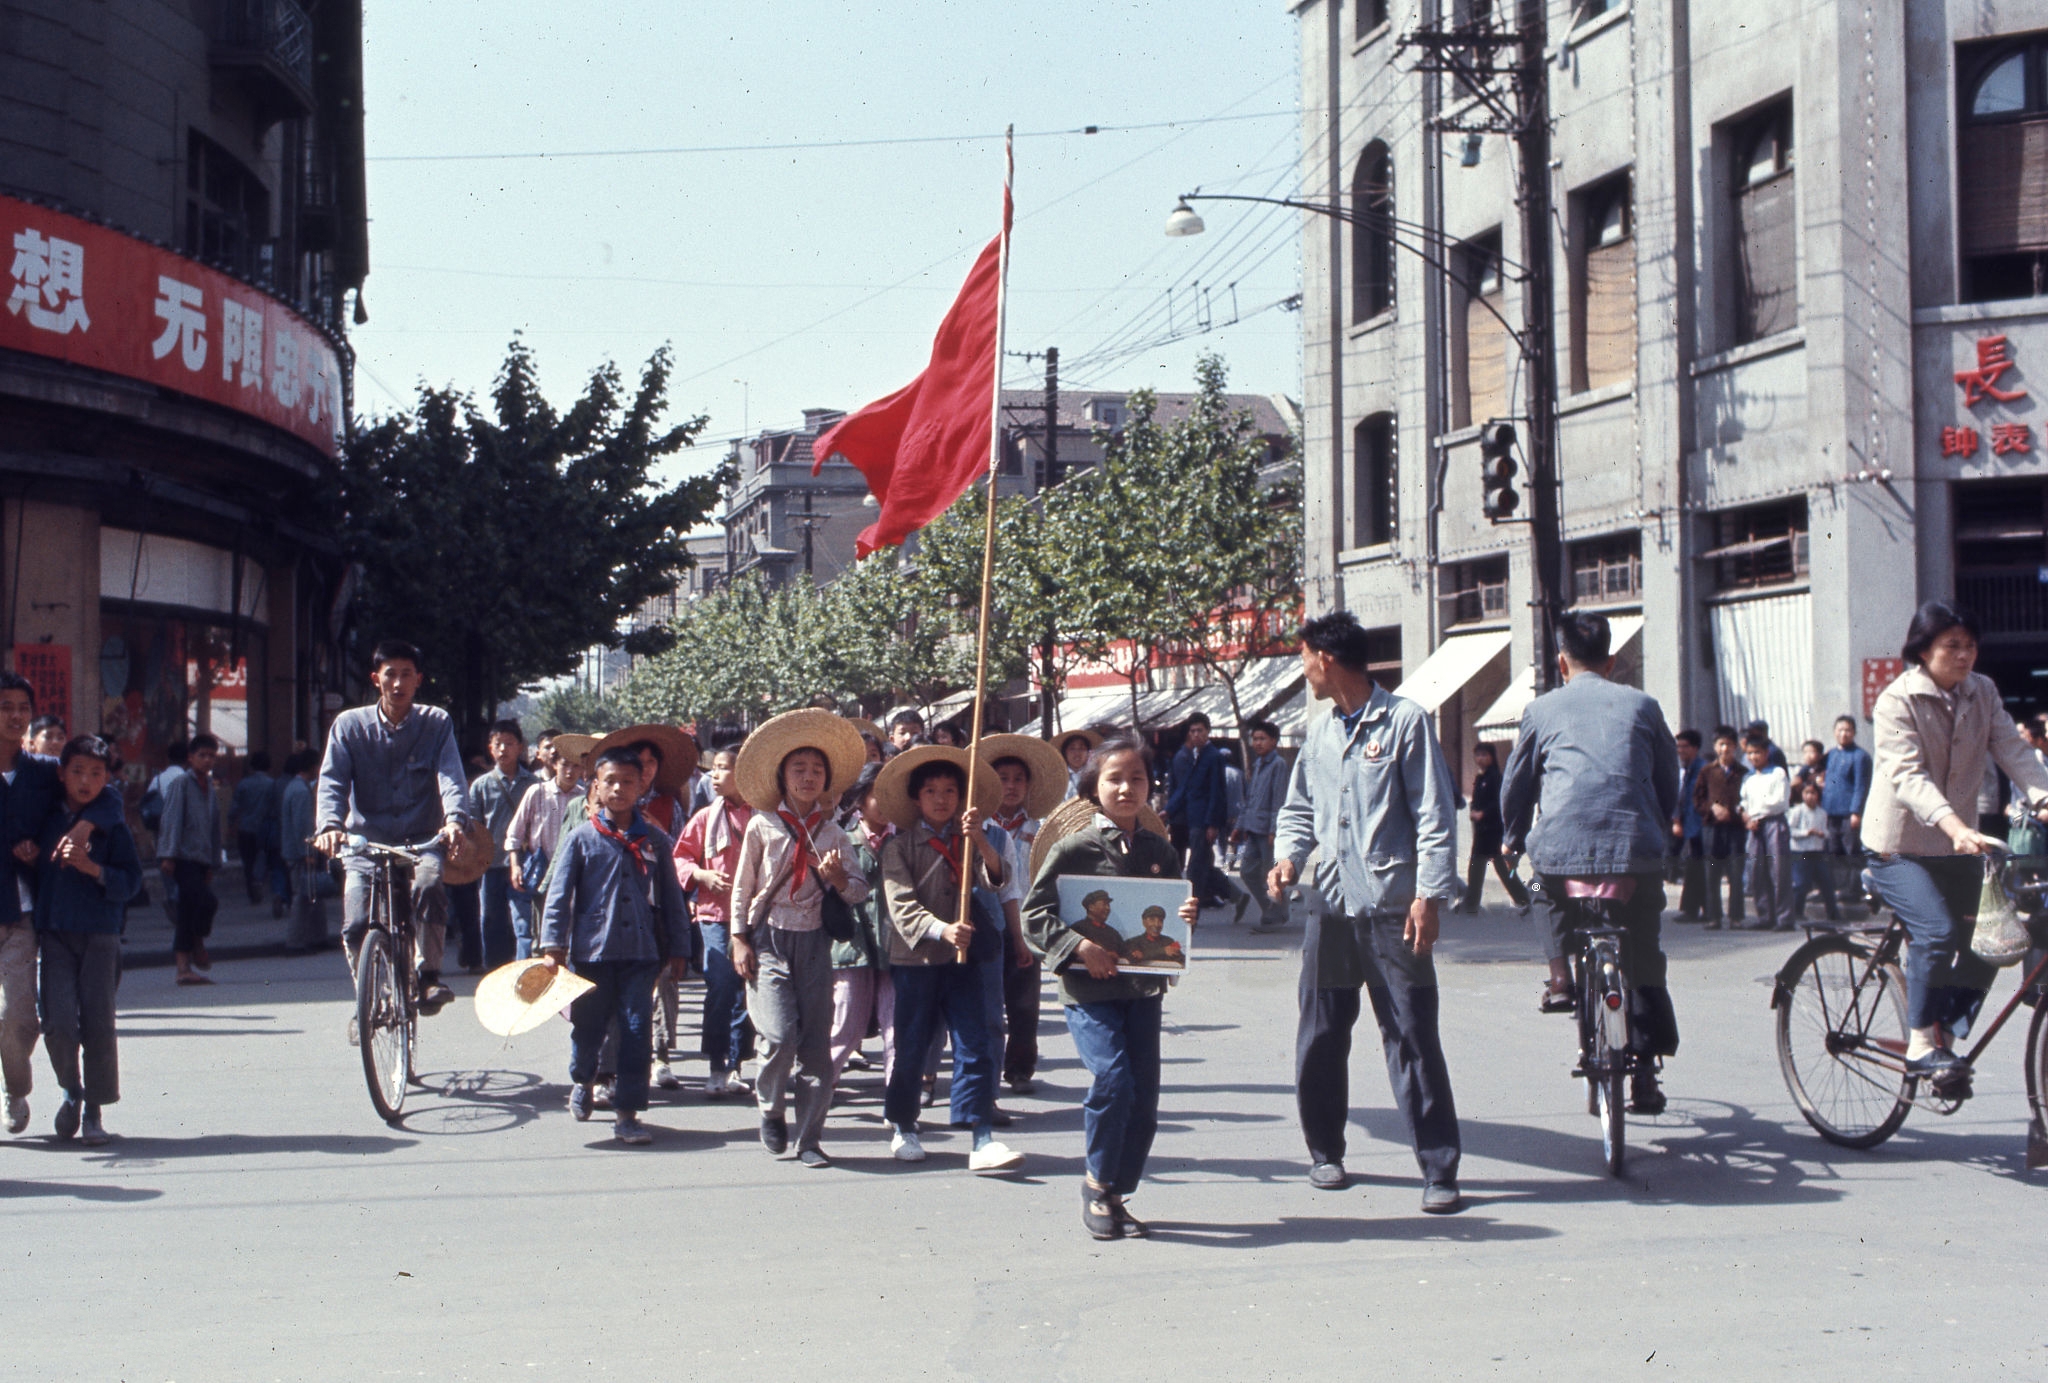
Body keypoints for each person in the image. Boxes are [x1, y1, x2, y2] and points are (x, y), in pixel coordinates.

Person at [1269, 612, 1465, 1213]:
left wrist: (1429, 897)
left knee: (1410, 1035)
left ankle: (1438, 1169)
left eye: (1303, 658)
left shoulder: (1404, 722)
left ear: (1324, 658)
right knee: (1322, 1036)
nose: (1303, 670)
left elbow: (1435, 816)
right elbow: (1299, 808)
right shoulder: (1319, 732)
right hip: (1329, 908)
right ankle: (1325, 1152)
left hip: (1392, 909)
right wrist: (1287, 858)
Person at [1499, 611, 1683, 1113]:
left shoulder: (1541, 710)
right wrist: (1658, 825)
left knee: (1539, 890)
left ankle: (1559, 977)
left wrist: (1512, 837)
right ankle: (1645, 1071)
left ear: (1561, 662)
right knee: (1644, 949)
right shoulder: (1644, 706)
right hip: (1635, 853)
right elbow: (1669, 777)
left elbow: (1517, 785)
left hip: (1559, 854)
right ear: (1612, 661)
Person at [1861, 601, 2048, 1079]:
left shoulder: (1982, 691)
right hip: (1898, 847)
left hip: (1955, 844)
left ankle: (1943, 1029)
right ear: (1923, 651)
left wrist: (2043, 799)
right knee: (1938, 934)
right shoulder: (1896, 700)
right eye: (1952, 646)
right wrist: (1953, 824)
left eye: (1970, 646)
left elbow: (2012, 748)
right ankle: (1921, 1045)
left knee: (1997, 940)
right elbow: (1906, 774)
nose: (1965, 655)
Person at [1026, 735, 1202, 1239]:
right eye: (1114, 779)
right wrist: (1080, 948)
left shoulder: (1158, 849)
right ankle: (1096, 1181)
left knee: (1144, 1096)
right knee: (1113, 1079)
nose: (1127, 788)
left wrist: (1187, 915)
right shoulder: (1075, 847)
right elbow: (1034, 915)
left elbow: (1173, 912)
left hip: (1142, 991)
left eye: (1137, 778)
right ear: (1093, 787)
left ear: (1150, 785)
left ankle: (1117, 1192)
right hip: (1090, 993)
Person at [728, 709, 870, 1168]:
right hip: (769, 937)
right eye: (799, 769)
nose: (808, 777)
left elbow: (858, 892)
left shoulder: (834, 833)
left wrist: (835, 879)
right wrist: (738, 938)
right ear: (782, 776)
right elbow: (742, 886)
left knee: (815, 1047)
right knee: (779, 1033)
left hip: (815, 944)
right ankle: (770, 1106)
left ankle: (810, 1138)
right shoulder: (761, 825)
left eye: (816, 770)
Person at [875, 744, 1022, 1173]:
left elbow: (995, 881)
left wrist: (980, 840)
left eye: (950, 791)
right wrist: (942, 930)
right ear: (917, 799)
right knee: (913, 1046)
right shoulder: (898, 847)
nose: (942, 799)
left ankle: (981, 1135)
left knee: (975, 1042)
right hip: (917, 959)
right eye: (932, 791)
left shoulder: (971, 838)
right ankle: (904, 1124)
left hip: (967, 959)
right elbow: (901, 907)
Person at [312, 641, 472, 1029]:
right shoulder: (349, 726)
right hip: (365, 843)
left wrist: (454, 820)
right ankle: (368, 993)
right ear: (376, 679)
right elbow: (332, 780)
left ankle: (429, 975)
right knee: (354, 923)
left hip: (422, 839)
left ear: (418, 680)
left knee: (431, 885)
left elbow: (450, 776)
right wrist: (330, 826)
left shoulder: (436, 723)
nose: (398, 683)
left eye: (406, 674)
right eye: (390, 674)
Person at [538, 746, 692, 1146]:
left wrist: (678, 948)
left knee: (636, 1030)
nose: (619, 788)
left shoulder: (655, 839)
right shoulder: (580, 839)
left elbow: (673, 898)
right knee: (588, 1030)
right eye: (611, 781)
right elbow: (558, 896)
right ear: (596, 786)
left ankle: (628, 1112)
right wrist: (552, 945)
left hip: (642, 954)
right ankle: (583, 1079)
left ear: (641, 786)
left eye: (628, 781)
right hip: (592, 954)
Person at [0, 672, 119, 1135]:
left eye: (22, 708)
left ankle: (15, 1089)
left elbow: (102, 793)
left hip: (21, 912)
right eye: (5, 706)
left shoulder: (40, 772)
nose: (14, 715)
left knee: (22, 1017)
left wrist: (86, 829)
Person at [32, 735, 142, 1147]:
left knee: (98, 1023)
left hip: (100, 935)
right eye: (77, 771)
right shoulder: (47, 817)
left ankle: (94, 1110)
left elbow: (131, 882)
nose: (85, 781)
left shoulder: (111, 826)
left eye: (96, 773)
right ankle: (70, 1090)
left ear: (107, 779)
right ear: (61, 774)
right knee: (57, 1022)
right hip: (55, 933)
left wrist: (92, 869)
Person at [979, 732, 1063, 1095]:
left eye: (1018, 779)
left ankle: (1020, 1066)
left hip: (1027, 921)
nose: (1010, 786)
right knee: (985, 1000)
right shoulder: (981, 826)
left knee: (1025, 1002)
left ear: (1028, 786)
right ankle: (985, 1066)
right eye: (1002, 779)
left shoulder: (1042, 830)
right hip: (984, 919)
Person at [672, 742, 757, 1098]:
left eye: (724, 768)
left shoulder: (761, 814)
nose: (715, 775)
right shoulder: (706, 817)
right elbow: (680, 858)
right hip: (715, 915)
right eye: (715, 767)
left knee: (749, 991)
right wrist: (702, 877)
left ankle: (738, 1062)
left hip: (753, 916)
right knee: (721, 986)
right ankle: (717, 1064)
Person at [829, 764, 895, 1085]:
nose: (883, 803)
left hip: (895, 947)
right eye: (876, 796)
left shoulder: (904, 842)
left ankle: (898, 1103)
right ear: (860, 800)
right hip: (852, 945)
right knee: (846, 1023)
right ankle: (819, 1087)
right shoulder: (843, 839)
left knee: (895, 1026)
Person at [469, 720, 539, 971]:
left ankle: (524, 971)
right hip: (490, 864)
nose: (504, 749)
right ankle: (495, 970)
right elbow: (473, 826)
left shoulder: (533, 784)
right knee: (491, 919)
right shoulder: (481, 786)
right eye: (498, 744)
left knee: (524, 922)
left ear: (520, 747)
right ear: (490, 748)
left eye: (509, 744)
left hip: (524, 864)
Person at [1166, 713, 1248, 918]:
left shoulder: (1213, 756)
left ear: (1207, 731)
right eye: (1192, 731)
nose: (1196, 735)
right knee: (1202, 864)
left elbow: (1217, 792)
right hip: (1192, 819)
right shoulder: (1198, 755)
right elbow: (1185, 788)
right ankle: (1237, 895)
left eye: (1199, 731)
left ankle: (1193, 914)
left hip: (1203, 821)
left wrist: (1213, 823)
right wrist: (1169, 810)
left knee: (1195, 869)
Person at [506, 738, 581, 962]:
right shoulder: (536, 793)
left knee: (572, 937)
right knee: (543, 938)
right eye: (565, 765)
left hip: (576, 875)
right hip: (544, 873)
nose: (569, 771)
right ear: (555, 764)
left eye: (575, 765)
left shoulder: (584, 797)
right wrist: (515, 865)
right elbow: (514, 834)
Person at [157, 732, 223, 986]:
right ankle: (185, 963)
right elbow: (171, 819)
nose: (207, 760)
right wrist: (168, 855)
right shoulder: (181, 784)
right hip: (182, 856)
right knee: (197, 903)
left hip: (200, 858)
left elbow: (214, 828)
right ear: (191, 757)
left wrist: (213, 862)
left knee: (201, 905)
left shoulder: (209, 788)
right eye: (202, 755)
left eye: (211, 756)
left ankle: (194, 946)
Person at [1453, 743, 1529, 915]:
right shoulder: (1481, 778)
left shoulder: (1495, 777)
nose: (1480, 758)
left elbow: (1499, 803)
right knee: (1479, 867)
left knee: (1497, 867)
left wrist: (1483, 813)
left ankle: (1522, 899)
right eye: (1477, 755)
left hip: (1493, 831)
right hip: (1482, 832)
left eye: (1484, 755)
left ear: (1492, 757)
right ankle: (1472, 904)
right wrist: (1473, 811)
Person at [1233, 720, 1292, 932]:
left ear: (1274, 742)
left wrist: (1275, 830)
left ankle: (1273, 915)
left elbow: (1279, 800)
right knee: (1247, 871)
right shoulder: (1258, 764)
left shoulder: (1278, 765)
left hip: (1268, 830)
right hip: (1253, 828)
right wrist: (1239, 826)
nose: (1257, 743)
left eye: (1262, 739)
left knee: (1269, 874)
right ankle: (1274, 908)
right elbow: (1249, 800)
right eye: (1255, 739)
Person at [1693, 728, 1748, 930]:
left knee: (1735, 873)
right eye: (1721, 744)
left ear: (1735, 747)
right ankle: (1713, 916)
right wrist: (1712, 808)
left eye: (1729, 745)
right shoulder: (1707, 772)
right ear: (1715, 747)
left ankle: (1736, 917)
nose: (1725, 749)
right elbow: (1697, 800)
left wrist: (1732, 813)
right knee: (1712, 874)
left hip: (1735, 829)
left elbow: (1748, 800)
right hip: (1712, 829)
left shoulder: (1742, 772)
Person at [1739, 730, 1794, 931]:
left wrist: (1756, 814)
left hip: (1773, 824)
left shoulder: (1778, 773)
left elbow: (1780, 802)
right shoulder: (1748, 778)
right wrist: (1746, 817)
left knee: (1779, 871)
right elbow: (1743, 803)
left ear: (1766, 753)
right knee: (1756, 871)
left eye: (1758, 752)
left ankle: (1784, 918)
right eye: (1750, 753)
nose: (1754, 757)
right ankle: (1765, 916)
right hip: (1754, 827)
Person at [277, 748, 328, 951]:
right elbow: (302, 825)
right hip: (300, 854)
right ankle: (296, 941)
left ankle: (316, 936)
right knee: (302, 897)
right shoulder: (300, 790)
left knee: (311, 897)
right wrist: (307, 852)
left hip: (297, 851)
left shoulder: (296, 787)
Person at [1822, 715, 1873, 904]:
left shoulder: (1860, 756)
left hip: (1848, 813)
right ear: (1835, 732)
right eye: (1840, 730)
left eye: (1848, 730)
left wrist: (1856, 812)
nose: (1844, 734)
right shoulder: (1832, 754)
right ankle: (1840, 889)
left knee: (1852, 852)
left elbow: (1861, 786)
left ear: (1854, 733)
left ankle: (1854, 890)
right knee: (1835, 851)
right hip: (1831, 811)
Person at [229, 750, 277, 906]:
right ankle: (260, 880)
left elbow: (234, 808)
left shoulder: (243, 784)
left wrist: (231, 824)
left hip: (246, 828)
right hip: (265, 827)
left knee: (247, 861)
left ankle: (252, 887)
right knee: (263, 857)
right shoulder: (272, 785)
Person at [1787, 780, 1839, 922]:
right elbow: (1789, 830)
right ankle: (1797, 912)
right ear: (1802, 795)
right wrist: (1806, 832)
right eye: (1807, 793)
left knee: (1827, 884)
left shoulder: (1822, 813)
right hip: (1801, 853)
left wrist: (1823, 834)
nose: (1810, 796)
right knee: (1801, 884)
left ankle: (1833, 914)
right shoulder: (1797, 811)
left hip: (1817, 852)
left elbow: (1826, 831)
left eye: (1813, 793)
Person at [1669, 730, 1706, 920]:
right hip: (1690, 825)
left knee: (1699, 869)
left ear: (1695, 748)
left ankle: (1698, 910)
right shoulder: (1688, 769)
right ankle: (1693, 910)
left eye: (1684, 747)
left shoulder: (1702, 769)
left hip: (1701, 826)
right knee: (1694, 868)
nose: (1680, 750)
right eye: (1678, 747)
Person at [1060, 730, 1099, 796]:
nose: (1077, 753)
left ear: (1088, 752)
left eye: (1082, 748)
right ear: (1065, 753)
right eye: (1072, 749)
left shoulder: (1095, 774)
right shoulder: (1059, 778)